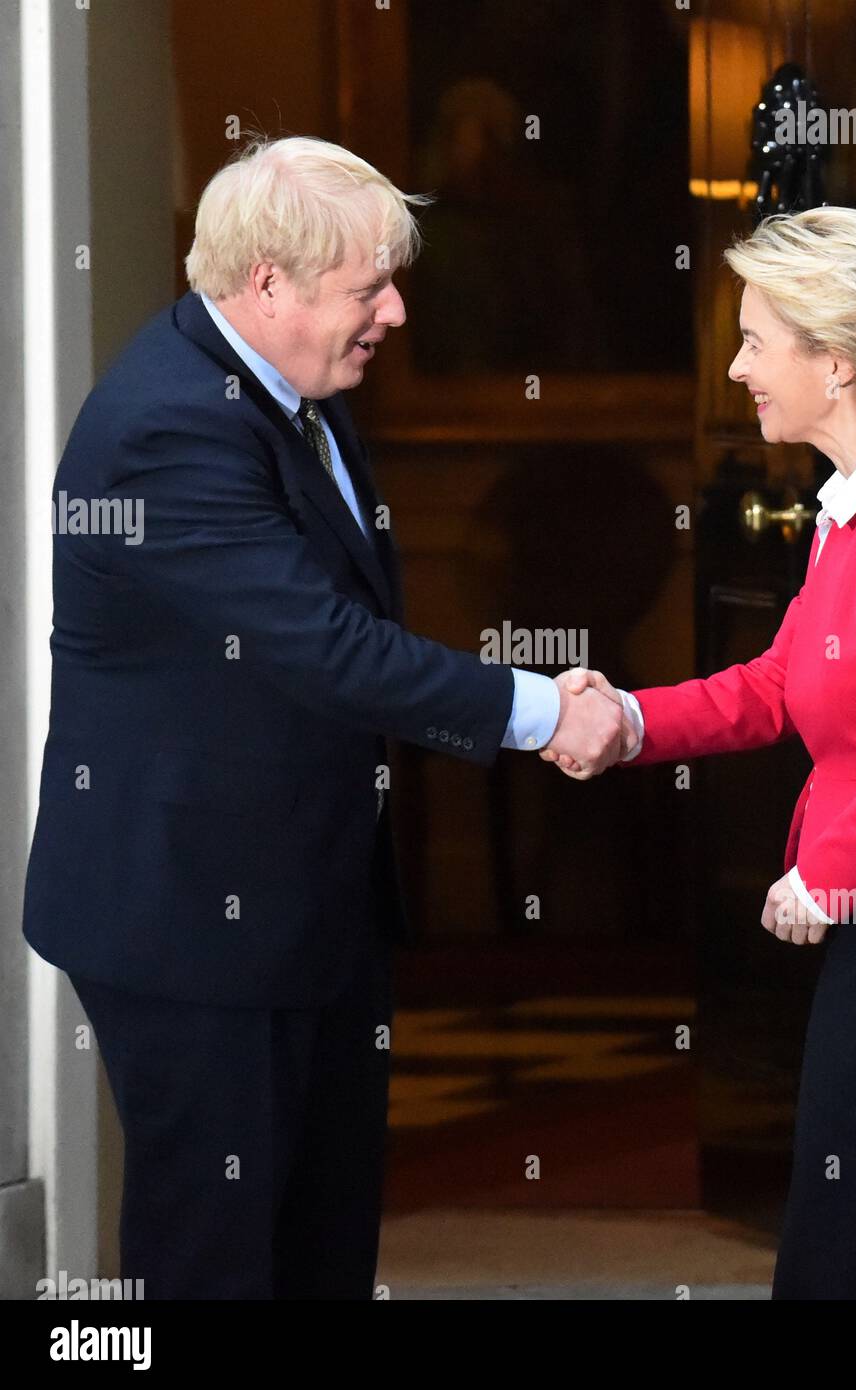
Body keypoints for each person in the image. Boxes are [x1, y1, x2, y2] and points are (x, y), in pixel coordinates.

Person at [22, 134, 633, 1300]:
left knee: (319, 1243)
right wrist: (537, 706)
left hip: (306, 903)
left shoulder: (287, 386)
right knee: (220, 1255)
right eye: (369, 288)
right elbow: (323, 645)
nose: (396, 313)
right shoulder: (168, 430)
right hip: (195, 920)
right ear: (269, 285)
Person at [544, 206, 856, 1300]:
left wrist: (832, 873)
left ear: (839, 362)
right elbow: (780, 683)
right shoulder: (854, 509)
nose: (736, 365)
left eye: (758, 338)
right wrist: (630, 719)